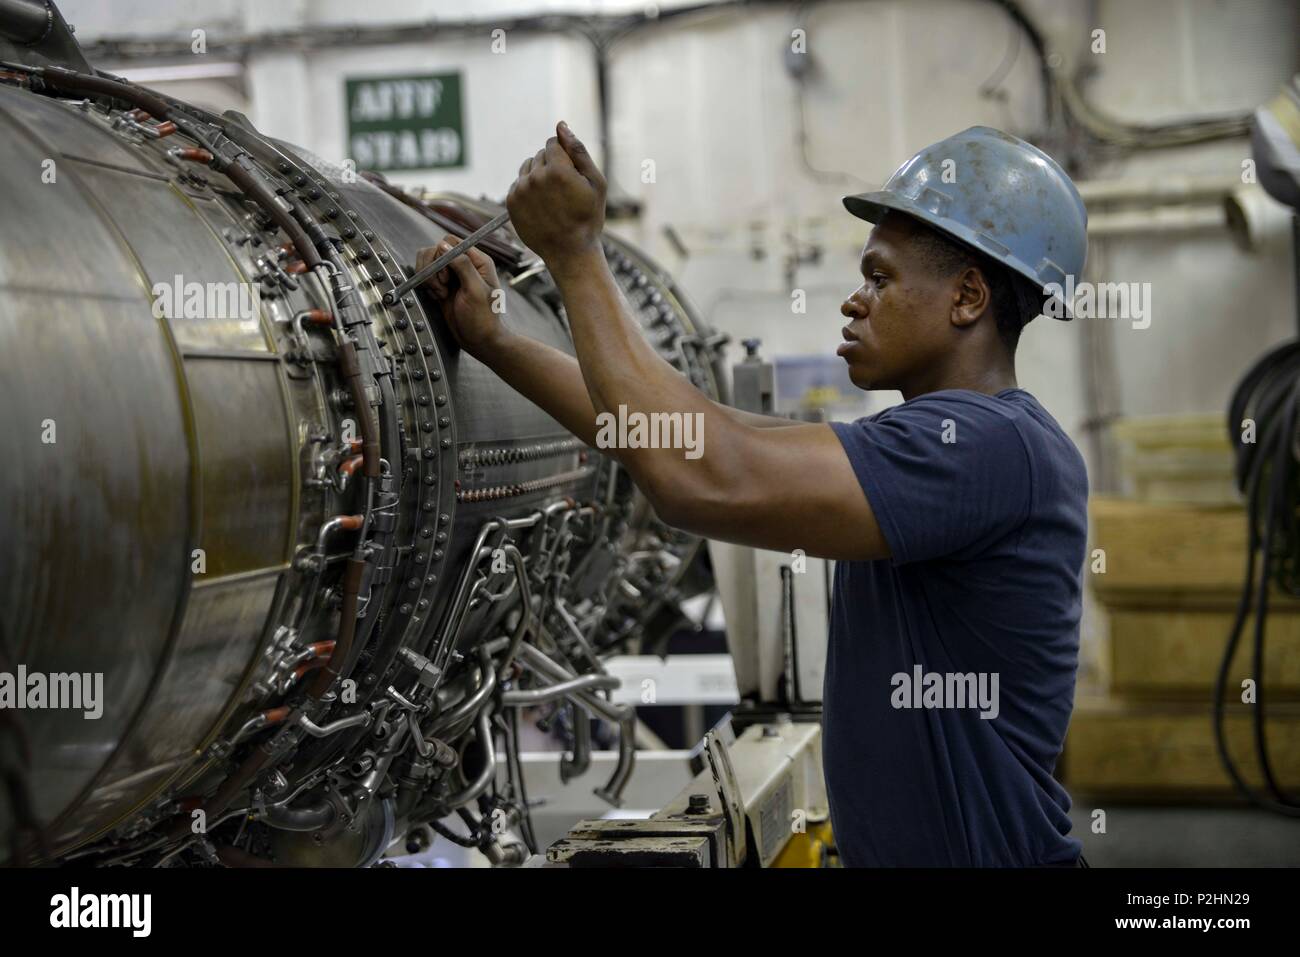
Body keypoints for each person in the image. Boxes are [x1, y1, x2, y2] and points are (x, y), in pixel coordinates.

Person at [416, 122, 1089, 867]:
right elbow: (710, 438)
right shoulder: (955, 439)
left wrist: (576, 256)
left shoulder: (988, 448)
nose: (854, 302)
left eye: (880, 278)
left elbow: (699, 474)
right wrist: (497, 340)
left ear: (967, 296)